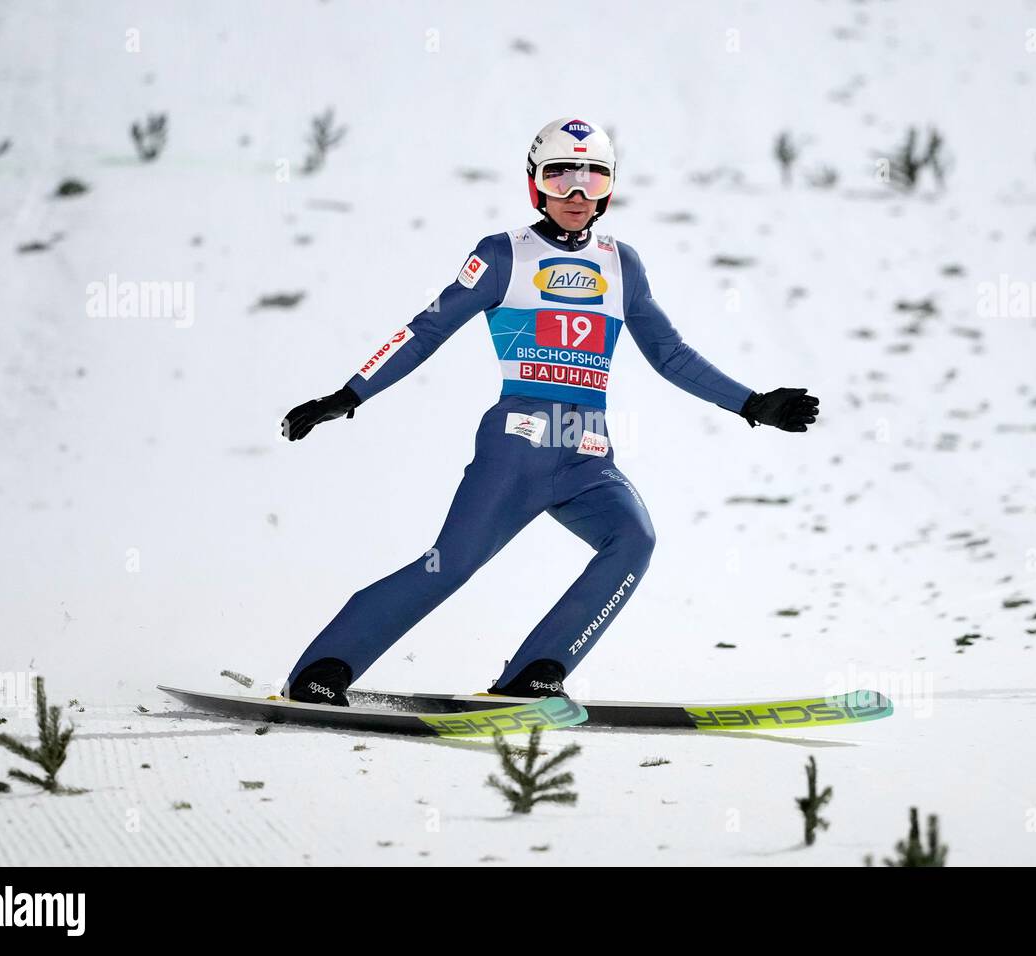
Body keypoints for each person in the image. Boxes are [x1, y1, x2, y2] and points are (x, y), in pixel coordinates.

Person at [280, 117, 819, 705]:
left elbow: (670, 354)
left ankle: (536, 671)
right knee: (450, 565)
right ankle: (323, 668)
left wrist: (753, 404)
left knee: (633, 539)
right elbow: (427, 330)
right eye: (561, 176)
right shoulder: (503, 254)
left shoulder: (622, 264)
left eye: (593, 178)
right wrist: (349, 394)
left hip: (587, 453)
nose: (577, 193)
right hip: (516, 450)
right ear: (535, 183)